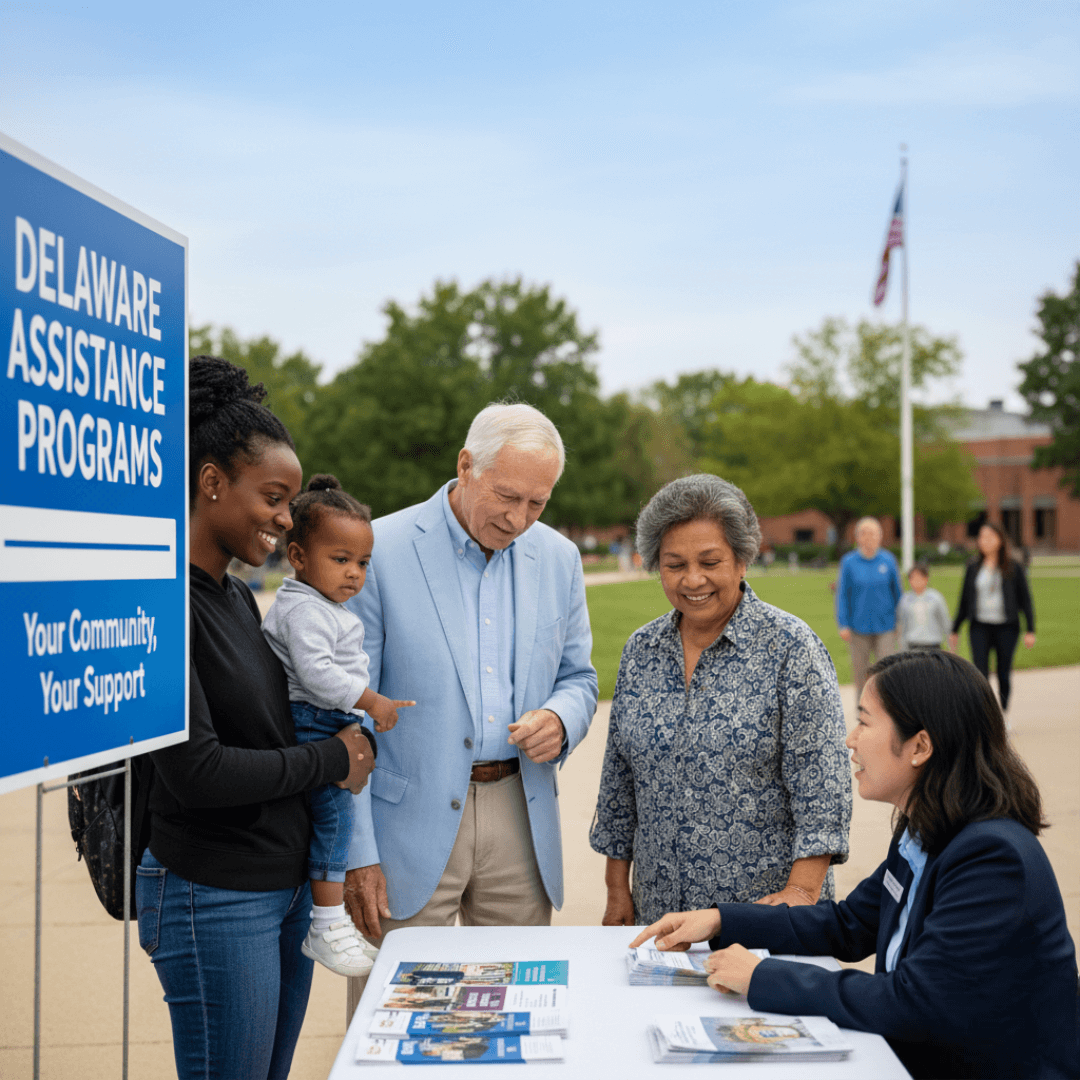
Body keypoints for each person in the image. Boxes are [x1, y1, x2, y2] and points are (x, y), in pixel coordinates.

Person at [631, 650, 1078, 1080]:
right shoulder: (924, 830)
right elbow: (848, 925)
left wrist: (762, 976)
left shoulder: (992, 860)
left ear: (920, 746)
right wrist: (719, 920)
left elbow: (915, 1002)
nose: (850, 739)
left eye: (864, 721)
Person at [136, 357, 375, 1080]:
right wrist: (334, 760)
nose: (284, 517)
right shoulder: (161, 603)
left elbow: (274, 731)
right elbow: (196, 772)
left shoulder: (239, 599)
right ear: (212, 482)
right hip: (214, 893)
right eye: (273, 496)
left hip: (283, 890)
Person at [343, 402, 598, 940]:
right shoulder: (378, 551)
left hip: (521, 816)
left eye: (537, 502)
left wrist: (560, 717)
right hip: (404, 828)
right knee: (398, 1015)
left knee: (519, 1007)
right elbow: (347, 710)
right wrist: (356, 852)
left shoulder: (560, 558)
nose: (519, 519)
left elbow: (579, 678)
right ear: (465, 466)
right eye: (507, 496)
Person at [589, 475, 851, 927]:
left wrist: (801, 892)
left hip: (764, 919)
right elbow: (619, 786)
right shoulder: (640, 651)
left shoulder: (791, 648)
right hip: (659, 919)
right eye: (674, 565)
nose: (693, 580)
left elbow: (823, 786)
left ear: (743, 560)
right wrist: (617, 892)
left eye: (710, 561)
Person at [263, 474, 416, 976]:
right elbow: (318, 675)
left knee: (331, 818)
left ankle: (325, 918)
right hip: (311, 723)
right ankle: (326, 923)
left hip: (324, 720)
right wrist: (373, 702)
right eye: (340, 559)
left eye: (363, 562)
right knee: (334, 820)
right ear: (299, 557)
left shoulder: (323, 605)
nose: (354, 573)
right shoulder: (304, 610)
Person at [949, 522, 1035, 714]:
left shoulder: (1014, 566)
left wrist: (1030, 629)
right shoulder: (973, 567)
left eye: (989, 537)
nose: (984, 541)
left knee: (1004, 673)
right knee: (980, 674)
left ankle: (1003, 713)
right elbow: (964, 600)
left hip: (1007, 627)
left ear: (1000, 540)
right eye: (981, 537)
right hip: (979, 627)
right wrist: (954, 629)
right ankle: (986, 716)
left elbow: (1025, 600)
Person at [836, 516, 903, 699]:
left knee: (886, 671)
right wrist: (843, 623)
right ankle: (863, 712)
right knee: (861, 673)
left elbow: (898, 593)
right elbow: (842, 595)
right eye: (863, 533)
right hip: (858, 626)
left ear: (880, 536)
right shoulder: (849, 562)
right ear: (857, 537)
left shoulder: (888, 560)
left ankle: (887, 710)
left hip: (886, 626)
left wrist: (900, 621)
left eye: (872, 533)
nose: (868, 537)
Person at [896, 563, 951, 651]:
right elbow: (902, 624)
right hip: (913, 644)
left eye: (920, 577)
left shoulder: (935, 597)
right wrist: (902, 647)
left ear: (926, 578)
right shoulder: (905, 600)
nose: (916, 581)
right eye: (913, 578)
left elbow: (944, 621)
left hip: (932, 644)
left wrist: (950, 644)